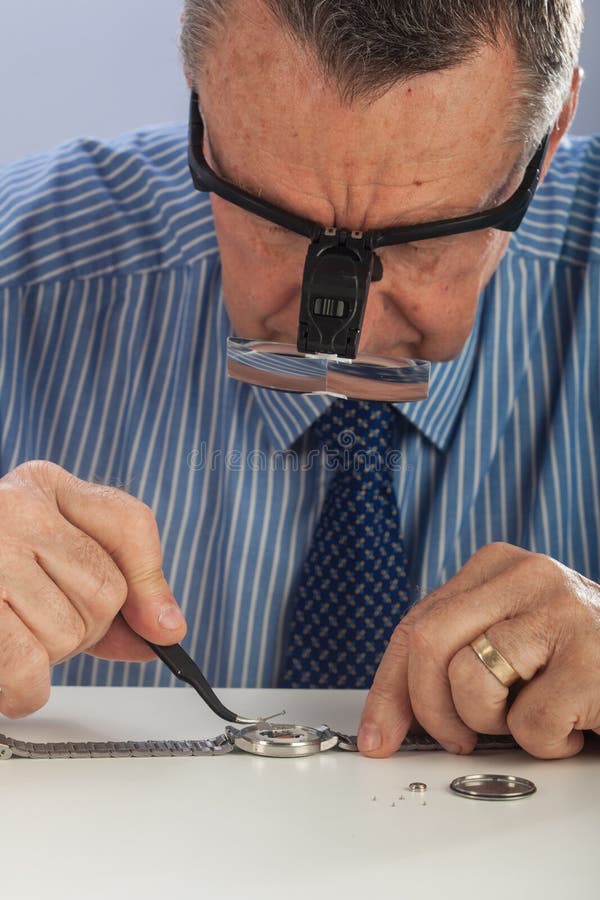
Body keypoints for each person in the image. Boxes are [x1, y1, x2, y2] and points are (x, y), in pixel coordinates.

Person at [0, 0, 598, 760]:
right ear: (203, 101)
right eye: (277, 220)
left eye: (421, 239)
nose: (346, 336)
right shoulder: (17, 273)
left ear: (547, 142)